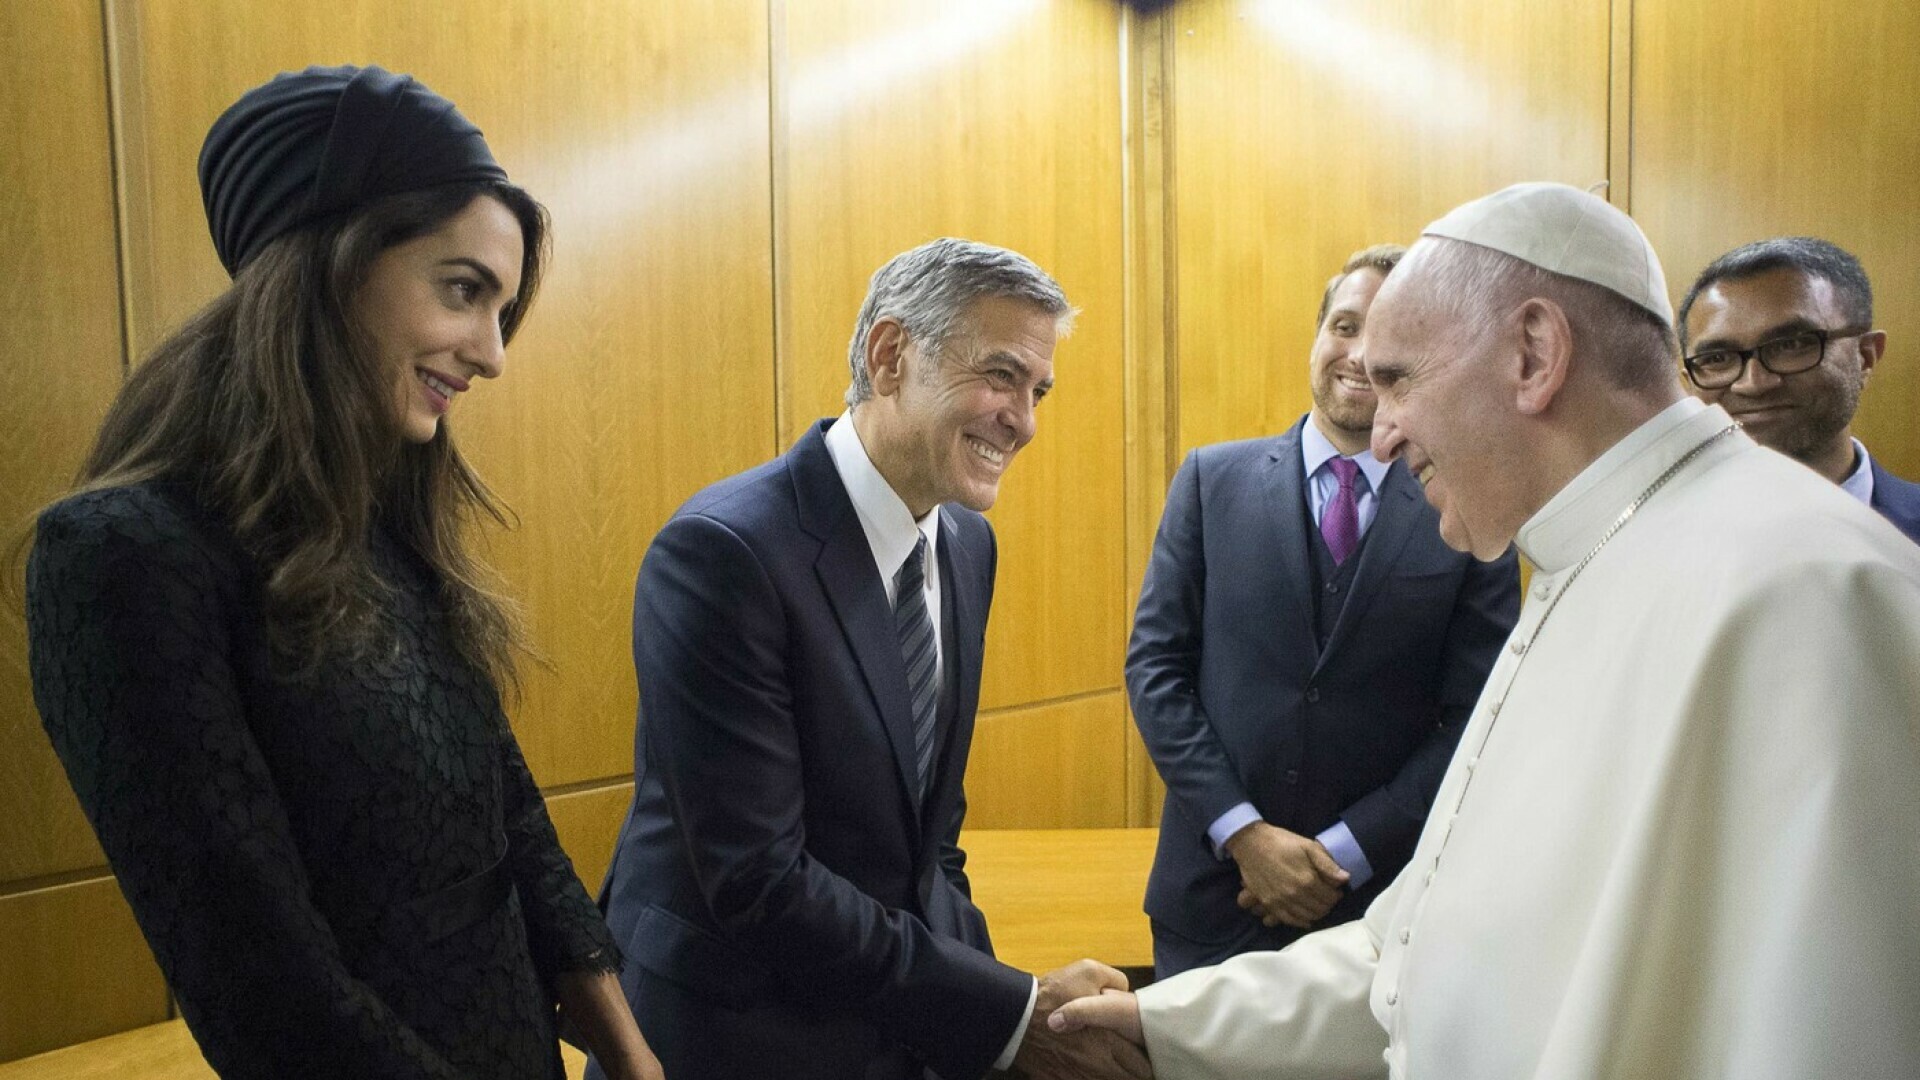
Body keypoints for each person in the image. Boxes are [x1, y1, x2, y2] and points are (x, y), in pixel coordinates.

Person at [1050, 183, 1920, 1078]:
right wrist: (1161, 1023)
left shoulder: (1815, 593)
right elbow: (1420, 951)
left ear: (1534, 355)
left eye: (1399, 380)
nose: (1380, 436)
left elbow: (1830, 1033)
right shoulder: (1585, 555)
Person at [24, 65, 661, 1080]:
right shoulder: (120, 555)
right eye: (464, 291)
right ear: (332, 265)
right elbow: (259, 981)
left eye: (502, 309)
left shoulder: (381, 520)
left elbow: (505, 811)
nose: (492, 354)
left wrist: (627, 1047)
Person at [589, 238, 1148, 1080]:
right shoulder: (723, 552)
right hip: (736, 1037)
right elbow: (760, 881)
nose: (1025, 421)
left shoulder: (967, 544)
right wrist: (1005, 1013)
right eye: (1001, 376)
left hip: (886, 1019)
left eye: (1038, 391)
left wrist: (998, 1007)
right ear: (892, 356)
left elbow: (929, 843)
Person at [1128, 244, 1516, 976]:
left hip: (1380, 911)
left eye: (1391, 337)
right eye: (1345, 325)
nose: (1361, 353)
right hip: (1212, 899)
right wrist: (1244, 836)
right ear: (1317, 335)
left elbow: (1482, 714)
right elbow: (1155, 671)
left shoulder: (1473, 505)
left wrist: (1343, 854)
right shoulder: (1211, 481)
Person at [1678, 236, 1920, 541]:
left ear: (1865, 356)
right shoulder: (1649, 539)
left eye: (1791, 345)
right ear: (1687, 383)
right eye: (1717, 358)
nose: (1753, 383)